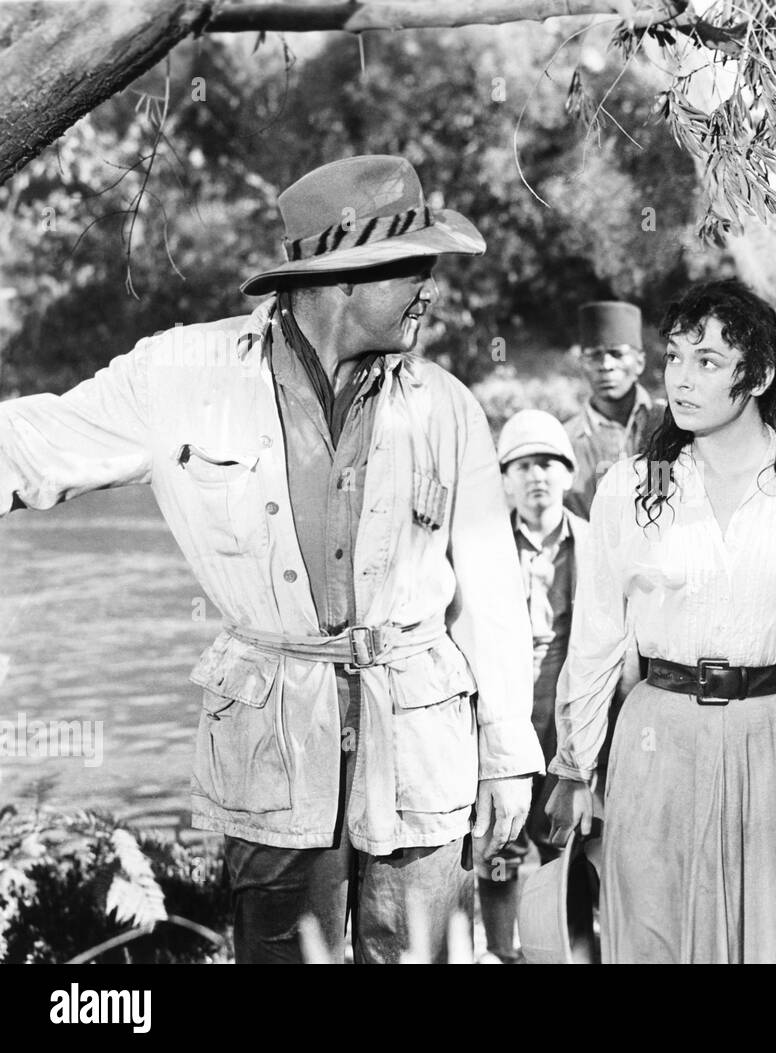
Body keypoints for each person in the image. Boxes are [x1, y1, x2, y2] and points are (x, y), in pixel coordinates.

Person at [0, 155, 544, 963]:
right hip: (272, 737)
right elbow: (33, 445)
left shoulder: (446, 407)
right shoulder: (181, 377)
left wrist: (509, 758)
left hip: (423, 741)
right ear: (346, 279)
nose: (432, 290)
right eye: (418, 271)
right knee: (282, 954)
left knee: (420, 953)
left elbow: (492, 597)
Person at [547, 278, 776, 963]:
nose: (680, 378)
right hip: (660, 738)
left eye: (706, 361)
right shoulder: (631, 489)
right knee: (658, 933)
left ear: (760, 373)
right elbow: (593, 641)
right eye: (674, 356)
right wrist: (575, 763)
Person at [477, 408, 587, 961]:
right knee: (500, 839)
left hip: (571, 708)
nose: (536, 476)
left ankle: (566, 951)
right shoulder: (484, 547)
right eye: (522, 465)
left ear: (568, 473)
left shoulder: (594, 546)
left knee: (568, 843)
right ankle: (501, 951)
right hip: (507, 706)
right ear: (504, 479)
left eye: (547, 463)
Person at [563, 300, 665, 518]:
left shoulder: (669, 425)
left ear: (639, 362)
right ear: (582, 364)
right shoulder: (564, 441)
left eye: (617, 354)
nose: (606, 365)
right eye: (594, 355)